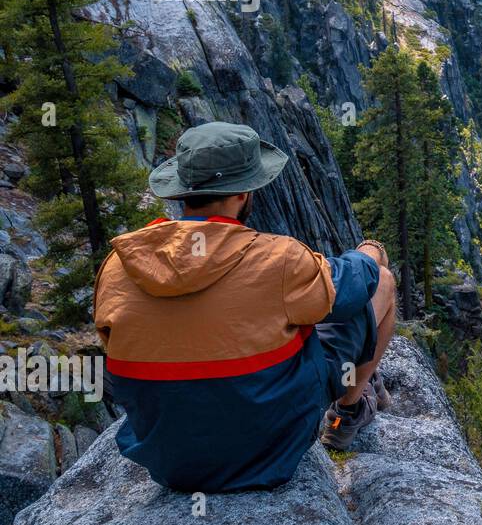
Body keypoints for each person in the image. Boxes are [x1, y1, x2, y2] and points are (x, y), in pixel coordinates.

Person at [93, 121, 397, 492]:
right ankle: (347, 415)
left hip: (172, 463)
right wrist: (372, 250)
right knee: (382, 284)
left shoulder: (119, 265)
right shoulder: (279, 260)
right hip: (268, 451)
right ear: (243, 193)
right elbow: (356, 283)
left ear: (182, 192)